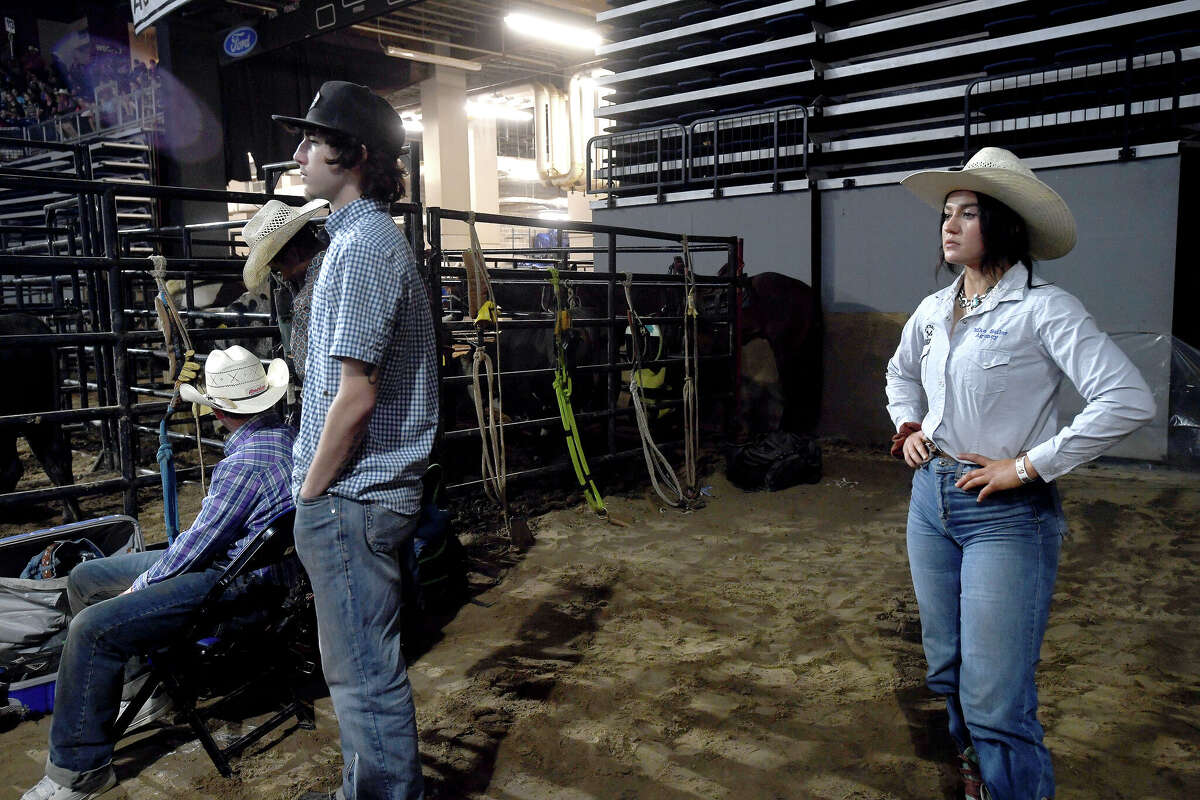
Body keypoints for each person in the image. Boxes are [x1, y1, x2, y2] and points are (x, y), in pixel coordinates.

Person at [884, 147, 1155, 800]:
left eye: (968, 213)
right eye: (947, 213)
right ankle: (980, 779)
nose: (949, 225)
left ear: (1004, 224)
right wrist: (909, 426)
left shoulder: (1045, 309)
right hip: (932, 502)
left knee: (995, 698)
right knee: (949, 672)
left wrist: (1029, 465)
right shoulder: (932, 310)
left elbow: (1127, 398)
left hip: (1005, 514)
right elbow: (899, 375)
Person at [21, 346, 295, 800]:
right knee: (85, 580)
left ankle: (80, 770)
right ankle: (136, 690)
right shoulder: (284, 437)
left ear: (219, 410)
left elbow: (195, 548)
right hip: (245, 568)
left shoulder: (244, 464)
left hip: (231, 582)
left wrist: (141, 585)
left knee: (92, 626)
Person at [271, 80, 438, 800]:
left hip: (352, 495)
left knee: (362, 673)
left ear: (356, 157)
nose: (301, 150)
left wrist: (311, 492)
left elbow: (356, 396)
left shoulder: (363, 248)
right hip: (358, 494)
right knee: (361, 667)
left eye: (315, 140)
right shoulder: (359, 242)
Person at [240, 197, 328, 384]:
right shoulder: (343, 261)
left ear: (293, 254)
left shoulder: (309, 298)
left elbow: (308, 371)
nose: (284, 278)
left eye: (279, 269)